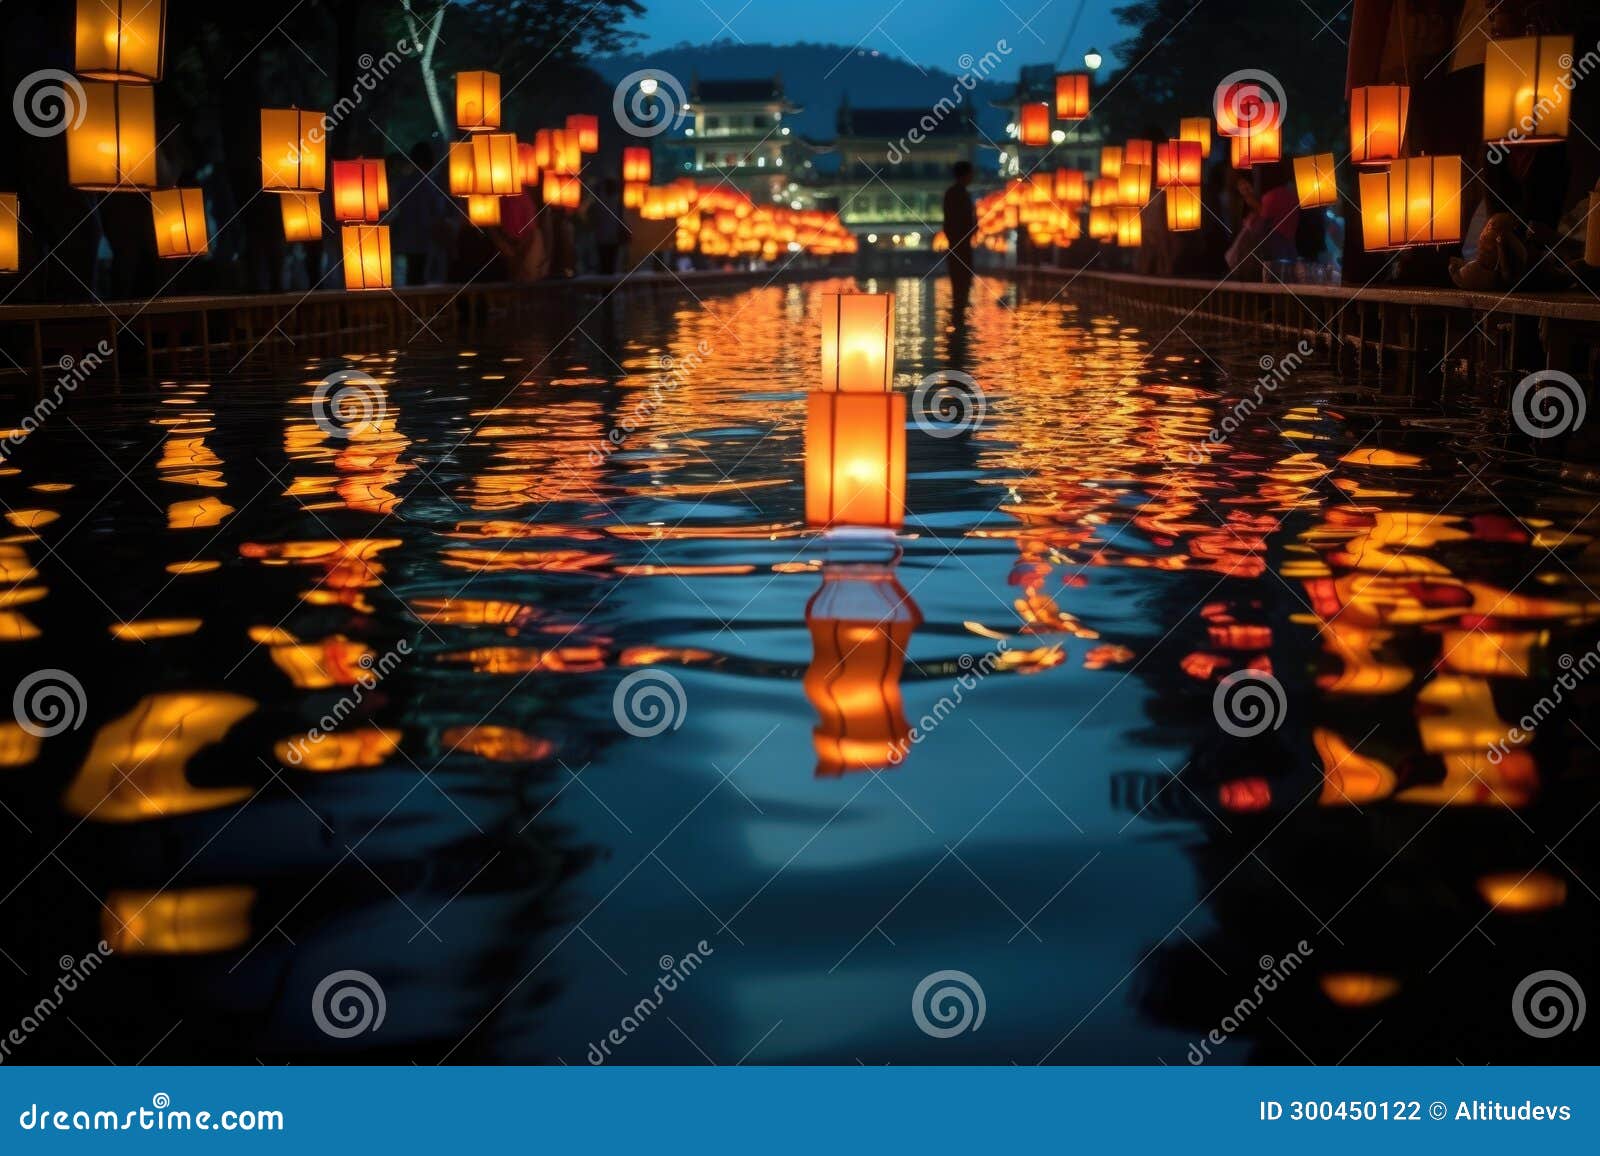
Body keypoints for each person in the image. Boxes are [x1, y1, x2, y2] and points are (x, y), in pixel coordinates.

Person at [1225, 162, 1299, 279]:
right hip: (1289, 253)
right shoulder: (1292, 196)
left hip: (1269, 258)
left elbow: (1260, 230)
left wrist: (1251, 219)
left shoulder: (1270, 198)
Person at [942, 160, 976, 315]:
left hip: (958, 244)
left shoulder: (954, 193)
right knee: (961, 284)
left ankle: (959, 315)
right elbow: (955, 221)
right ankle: (959, 316)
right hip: (960, 245)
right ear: (966, 174)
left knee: (960, 284)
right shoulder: (958, 194)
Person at [591, 177, 629, 276]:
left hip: (606, 237)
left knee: (606, 264)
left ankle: (607, 286)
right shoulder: (616, 203)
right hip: (610, 238)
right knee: (610, 265)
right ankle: (608, 285)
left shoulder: (601, 202)